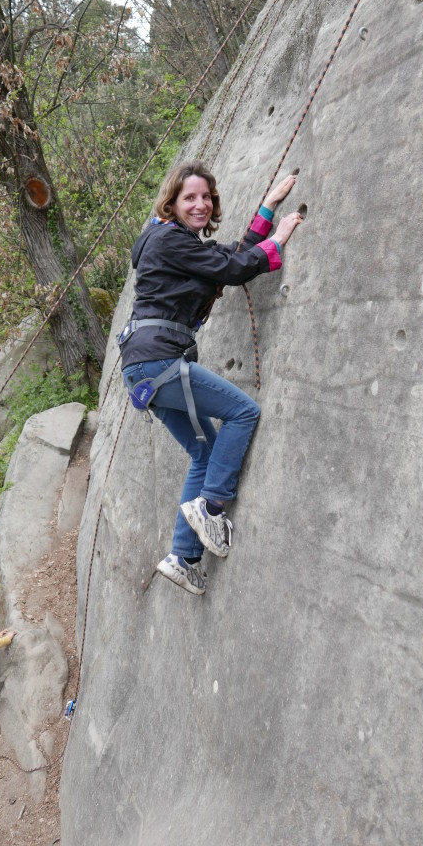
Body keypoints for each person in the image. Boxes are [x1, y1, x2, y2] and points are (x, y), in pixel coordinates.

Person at [120, 159, 303, 596]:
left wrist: (268, 207)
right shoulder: (168, 238)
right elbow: (235, 270)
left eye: (206, 197)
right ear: (172, 203)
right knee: (243, 412)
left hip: (144, 371)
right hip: (159, 361)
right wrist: (277, 239)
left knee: (203, 453)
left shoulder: (177, 244)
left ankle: (182, 558)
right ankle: (212, 507)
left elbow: (230, 258)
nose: (200, 204)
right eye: (190, 198)